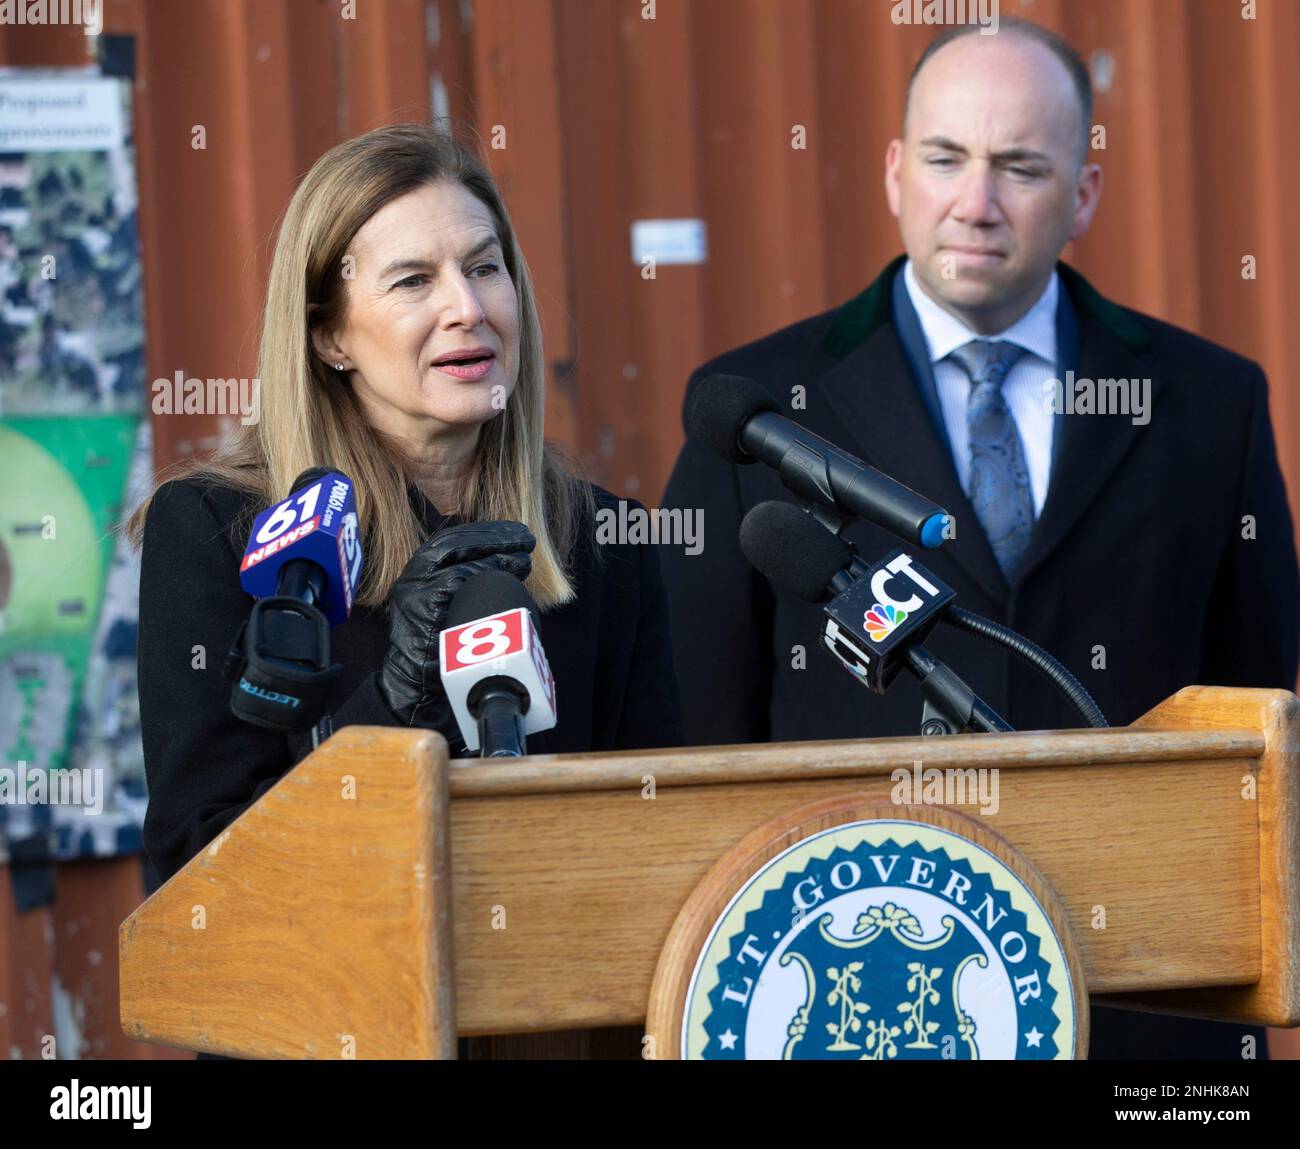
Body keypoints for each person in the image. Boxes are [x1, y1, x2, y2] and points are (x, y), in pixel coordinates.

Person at [659, 19, 1298, 1060]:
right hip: (853, 1001)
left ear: (1083, 194)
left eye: (1019, 166)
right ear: (894, 173)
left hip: (1145, 1004)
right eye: (947, 159)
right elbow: (694, 728)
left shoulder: (1207, 402)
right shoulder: (761, 412)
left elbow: (1250, 707)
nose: (976, 204)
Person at [127, 123, 682, 1057]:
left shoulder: (606, 542)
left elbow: (652, 845)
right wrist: (393, 700)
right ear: (329, 335)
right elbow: (201, 878)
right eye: (413, 280)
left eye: (486, 267)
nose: (467, 307)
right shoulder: (219, 533)